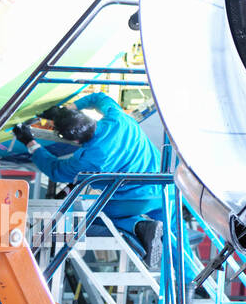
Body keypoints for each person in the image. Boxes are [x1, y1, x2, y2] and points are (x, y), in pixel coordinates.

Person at [12, 92, 166, 269]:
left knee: (97, 216)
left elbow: (55, 170)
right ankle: (189, 283)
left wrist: (30, 142)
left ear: (75, 140)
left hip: (136, 200)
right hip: (163, 186)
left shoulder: (90, 158)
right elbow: (99, 98)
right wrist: (70, 110)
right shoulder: (119, 118)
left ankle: (138, 226)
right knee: (174, 238)